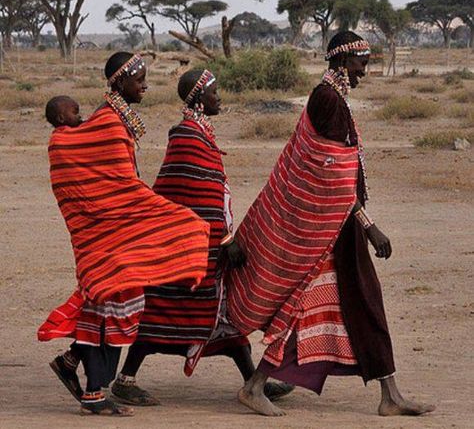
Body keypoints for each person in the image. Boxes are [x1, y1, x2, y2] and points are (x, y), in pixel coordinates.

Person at [226, 32, 436, 417]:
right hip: (329, 224)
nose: (364, 71)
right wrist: (369, 225)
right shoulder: (327, 99)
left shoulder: (332, 97)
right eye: (361, 63)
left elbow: (336, 170)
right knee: (325, 303)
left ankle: (389, 394)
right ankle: (256, 386)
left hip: (335, 220)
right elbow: (330, 173)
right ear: (342, 62)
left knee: (346, 303)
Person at [38, 52, 210, 417]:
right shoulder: (108, 123)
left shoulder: (114, 119)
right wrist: (159, 214)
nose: (145, 85)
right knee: (112, 305)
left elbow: (120, 185)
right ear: (119, 82)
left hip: (118, 231)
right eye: (139, 79)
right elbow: (117, 186)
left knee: (113, 302)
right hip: (105, 234)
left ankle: (71, 362)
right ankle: (95, 394)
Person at [111, 69, 293, 406]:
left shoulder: (199, 132)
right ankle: (125, 379)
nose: (219, 97)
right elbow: (193, 193)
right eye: (214, 92)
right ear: (198, 98)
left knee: (220, 316)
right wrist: (224, 239)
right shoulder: (186, 135)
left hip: (202, 243)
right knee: (164, 311)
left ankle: (253, 381)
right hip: (191, 246)